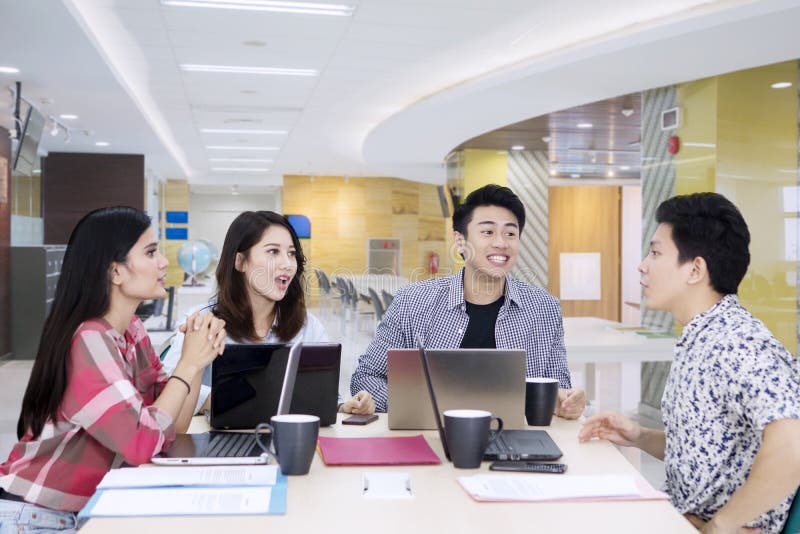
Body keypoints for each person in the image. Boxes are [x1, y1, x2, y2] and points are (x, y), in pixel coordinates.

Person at [578, 193, 800, 533]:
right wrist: (638, 435)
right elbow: (704, 451)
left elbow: (793, 445)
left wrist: (721, 525)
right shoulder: (701, 336)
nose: (643, 265)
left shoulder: (738, 342)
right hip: (677, 517)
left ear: (695, 270)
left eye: (655, 253)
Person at [0, 207, 225, 531]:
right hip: (34, 517)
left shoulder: (131, 329)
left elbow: (174, 423)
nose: (163, 262)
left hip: (81, 512)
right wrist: (187, 362)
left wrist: (199, 358)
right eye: (151, 252)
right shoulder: (88, 340)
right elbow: (141, 443)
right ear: (115, 271)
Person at [350, 184, 586, 417]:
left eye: (510, 233)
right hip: (432, 432)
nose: (501, 243)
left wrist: (567, 402)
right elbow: (366, 377)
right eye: (488, 232)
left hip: (518, 434)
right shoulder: (412, 302)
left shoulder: (544, 308)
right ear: (460, 241)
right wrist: (419, 408)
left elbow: (559, 387)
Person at [163, 211, 374, 415]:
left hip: (289, 436)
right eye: (273, 251)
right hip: (217, 437)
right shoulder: (203, 322)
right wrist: (223, 400)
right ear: (240, 261)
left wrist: (343, 406)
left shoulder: (309, 327)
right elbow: (167, 388)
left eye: (291, 253)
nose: (287, 264)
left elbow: (322, 393)